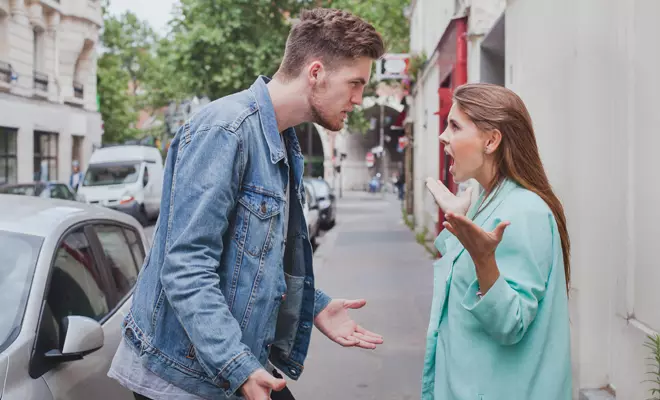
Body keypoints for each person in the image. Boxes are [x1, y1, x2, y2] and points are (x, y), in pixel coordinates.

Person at [107, 8, 385, 400]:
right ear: (316, 72)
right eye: (355, 83)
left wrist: (314, 305)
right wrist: (238, 366)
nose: (359, 98)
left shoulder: (281, 139)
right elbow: (186, 267)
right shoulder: (225, 130)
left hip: (229, 361)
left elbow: (255, 259)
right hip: (180, 375)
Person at [422, 83, 571, 400]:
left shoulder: (524, 210)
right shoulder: (488, 199)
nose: (443, 136)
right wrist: (459, 218)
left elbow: (510, 323)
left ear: (491, 141)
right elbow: (460, 278)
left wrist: (485, 261)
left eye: (455, 126)